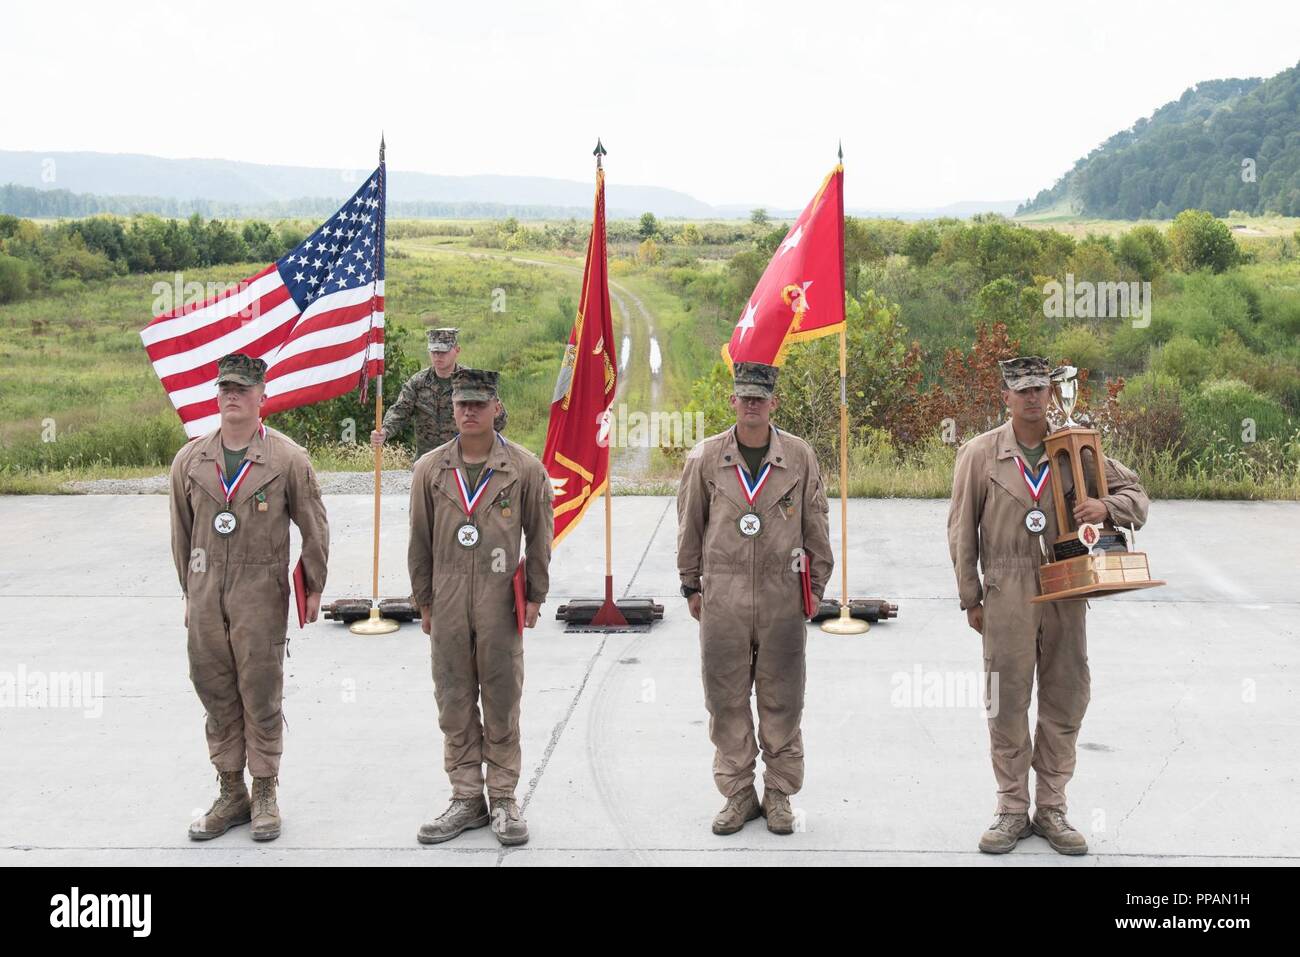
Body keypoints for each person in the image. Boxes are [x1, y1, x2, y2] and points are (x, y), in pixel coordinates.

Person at [947, 356, 1150, 855]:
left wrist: (1106, 508)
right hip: (1006, 592)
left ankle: (1053, 806)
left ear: (1048, 393)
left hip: (1066, 588)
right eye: (1023, 390)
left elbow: (1138, 497)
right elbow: (960, 530)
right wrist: (971, 598)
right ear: (1007, 397)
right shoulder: (979, 454)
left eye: (1040, 388)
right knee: (1006, 703)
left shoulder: (1075, 448)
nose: (1033, 397)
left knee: (1065, 696)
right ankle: (1011, 809)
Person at [169, 352, 329, 842]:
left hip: (260, 594)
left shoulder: (287, 459)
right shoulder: (191, 460)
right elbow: (182, 535)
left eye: (241, 388)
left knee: (260, 691)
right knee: (214, 690)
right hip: (205, 597)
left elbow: (315, 527)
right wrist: (190, 593)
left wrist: (312, 586)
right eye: (225, 389)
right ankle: (230, 790)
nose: (232, 396)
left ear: (263, 396)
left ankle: (264, 790)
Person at [676, 360, 833, 835]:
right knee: (725, 698)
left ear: (773, 403)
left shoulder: (799, 456)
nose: (751, 404)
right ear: (732, 402)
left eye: (760, 398)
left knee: (783, 697)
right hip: (723, 597)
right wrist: (690, 583)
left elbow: (816, 526)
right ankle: (738, 793)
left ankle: (780, 794)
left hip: (782, 594)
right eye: (744, 397)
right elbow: (690, 525)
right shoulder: (705, 458)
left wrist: (815, 589)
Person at [407, 368, 553, 846]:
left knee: (502, 700)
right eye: (461, 404)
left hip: (499, 602)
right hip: (447, 601)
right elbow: (419, 543)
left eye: (478, 403)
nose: (469, 411)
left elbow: (540, 537)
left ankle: (505, 799)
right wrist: (423, 600)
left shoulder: (524, 469)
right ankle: (467, 798)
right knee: (453, 700)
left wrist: (534, 595)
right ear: (451, 409)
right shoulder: (430, 469)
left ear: (496, 408)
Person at [372, 326, 508, 460]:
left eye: (443, 351)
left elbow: (498, 421)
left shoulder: (472, 382)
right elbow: (400, 410)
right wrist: (384, 431)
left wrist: (494, 411)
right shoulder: (418, 382)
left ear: (457, 350)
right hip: (427, 462)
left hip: (463, 461)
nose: (438, 356)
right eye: (434, 351)